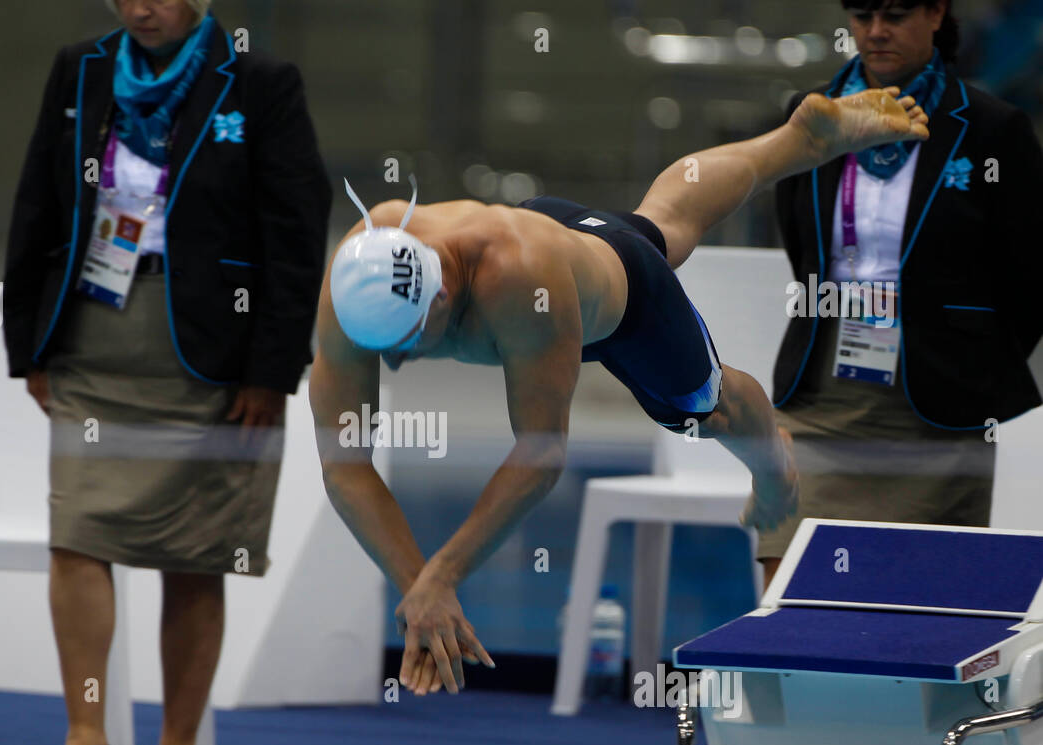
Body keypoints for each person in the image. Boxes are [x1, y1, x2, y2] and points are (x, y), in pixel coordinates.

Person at [311, 88, 930, 696]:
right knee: (665, 223)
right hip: (560, 235)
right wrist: (423, 593)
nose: (389, 363)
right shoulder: (357, 276)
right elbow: (344, 467)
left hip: (623, 299)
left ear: (441, 294)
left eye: (407, 343)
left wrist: (443, 574)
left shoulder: (522, 289)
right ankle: (799, 141)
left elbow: (539, 457)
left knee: (704, 408)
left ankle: (774, 463)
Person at [1, 0, 330, 745]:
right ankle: (87, 742)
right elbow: (38, 203)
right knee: (76, 537)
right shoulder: (81, 68)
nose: (139, 8)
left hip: (214, 356)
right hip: (93, 337)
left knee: (195, 554)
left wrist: (271, 367)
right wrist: (28, 344)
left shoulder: (261, 83)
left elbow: (295, 232)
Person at [759, 0, 1043, 585]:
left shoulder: (993, 129)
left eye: (894, 15)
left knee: (930, 611)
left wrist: (970, 355)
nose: (876, 32)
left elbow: (1028, 278)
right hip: (822, 393)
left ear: (936, 14)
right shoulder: (808, 117)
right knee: (788, 592)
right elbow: (802, 246)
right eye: (862, 16)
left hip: (944, 401)